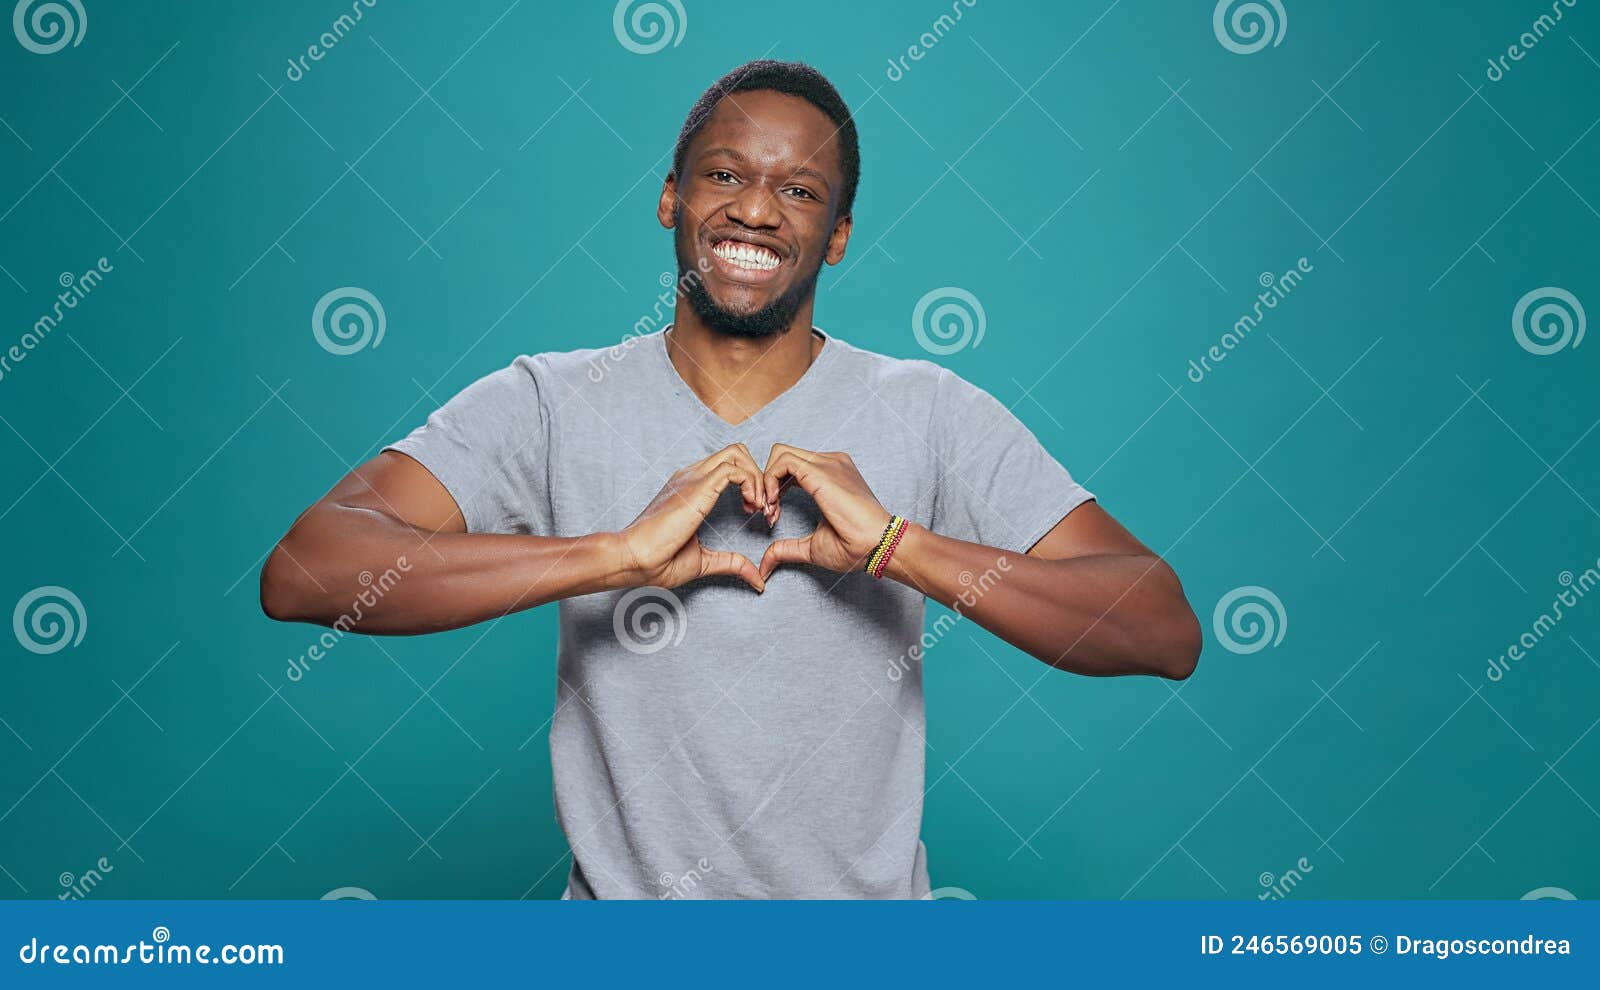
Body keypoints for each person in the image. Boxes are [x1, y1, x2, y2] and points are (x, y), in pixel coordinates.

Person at [261, 59, 1202, 899]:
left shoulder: (930, 410)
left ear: (836, 236)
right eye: (725, 175)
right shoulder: (549, 401)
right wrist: (614, 555)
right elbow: (306, 571)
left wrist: (894, 547)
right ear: (669, 196)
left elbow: (1159, 627)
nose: (754, 210)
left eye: (798, 190)